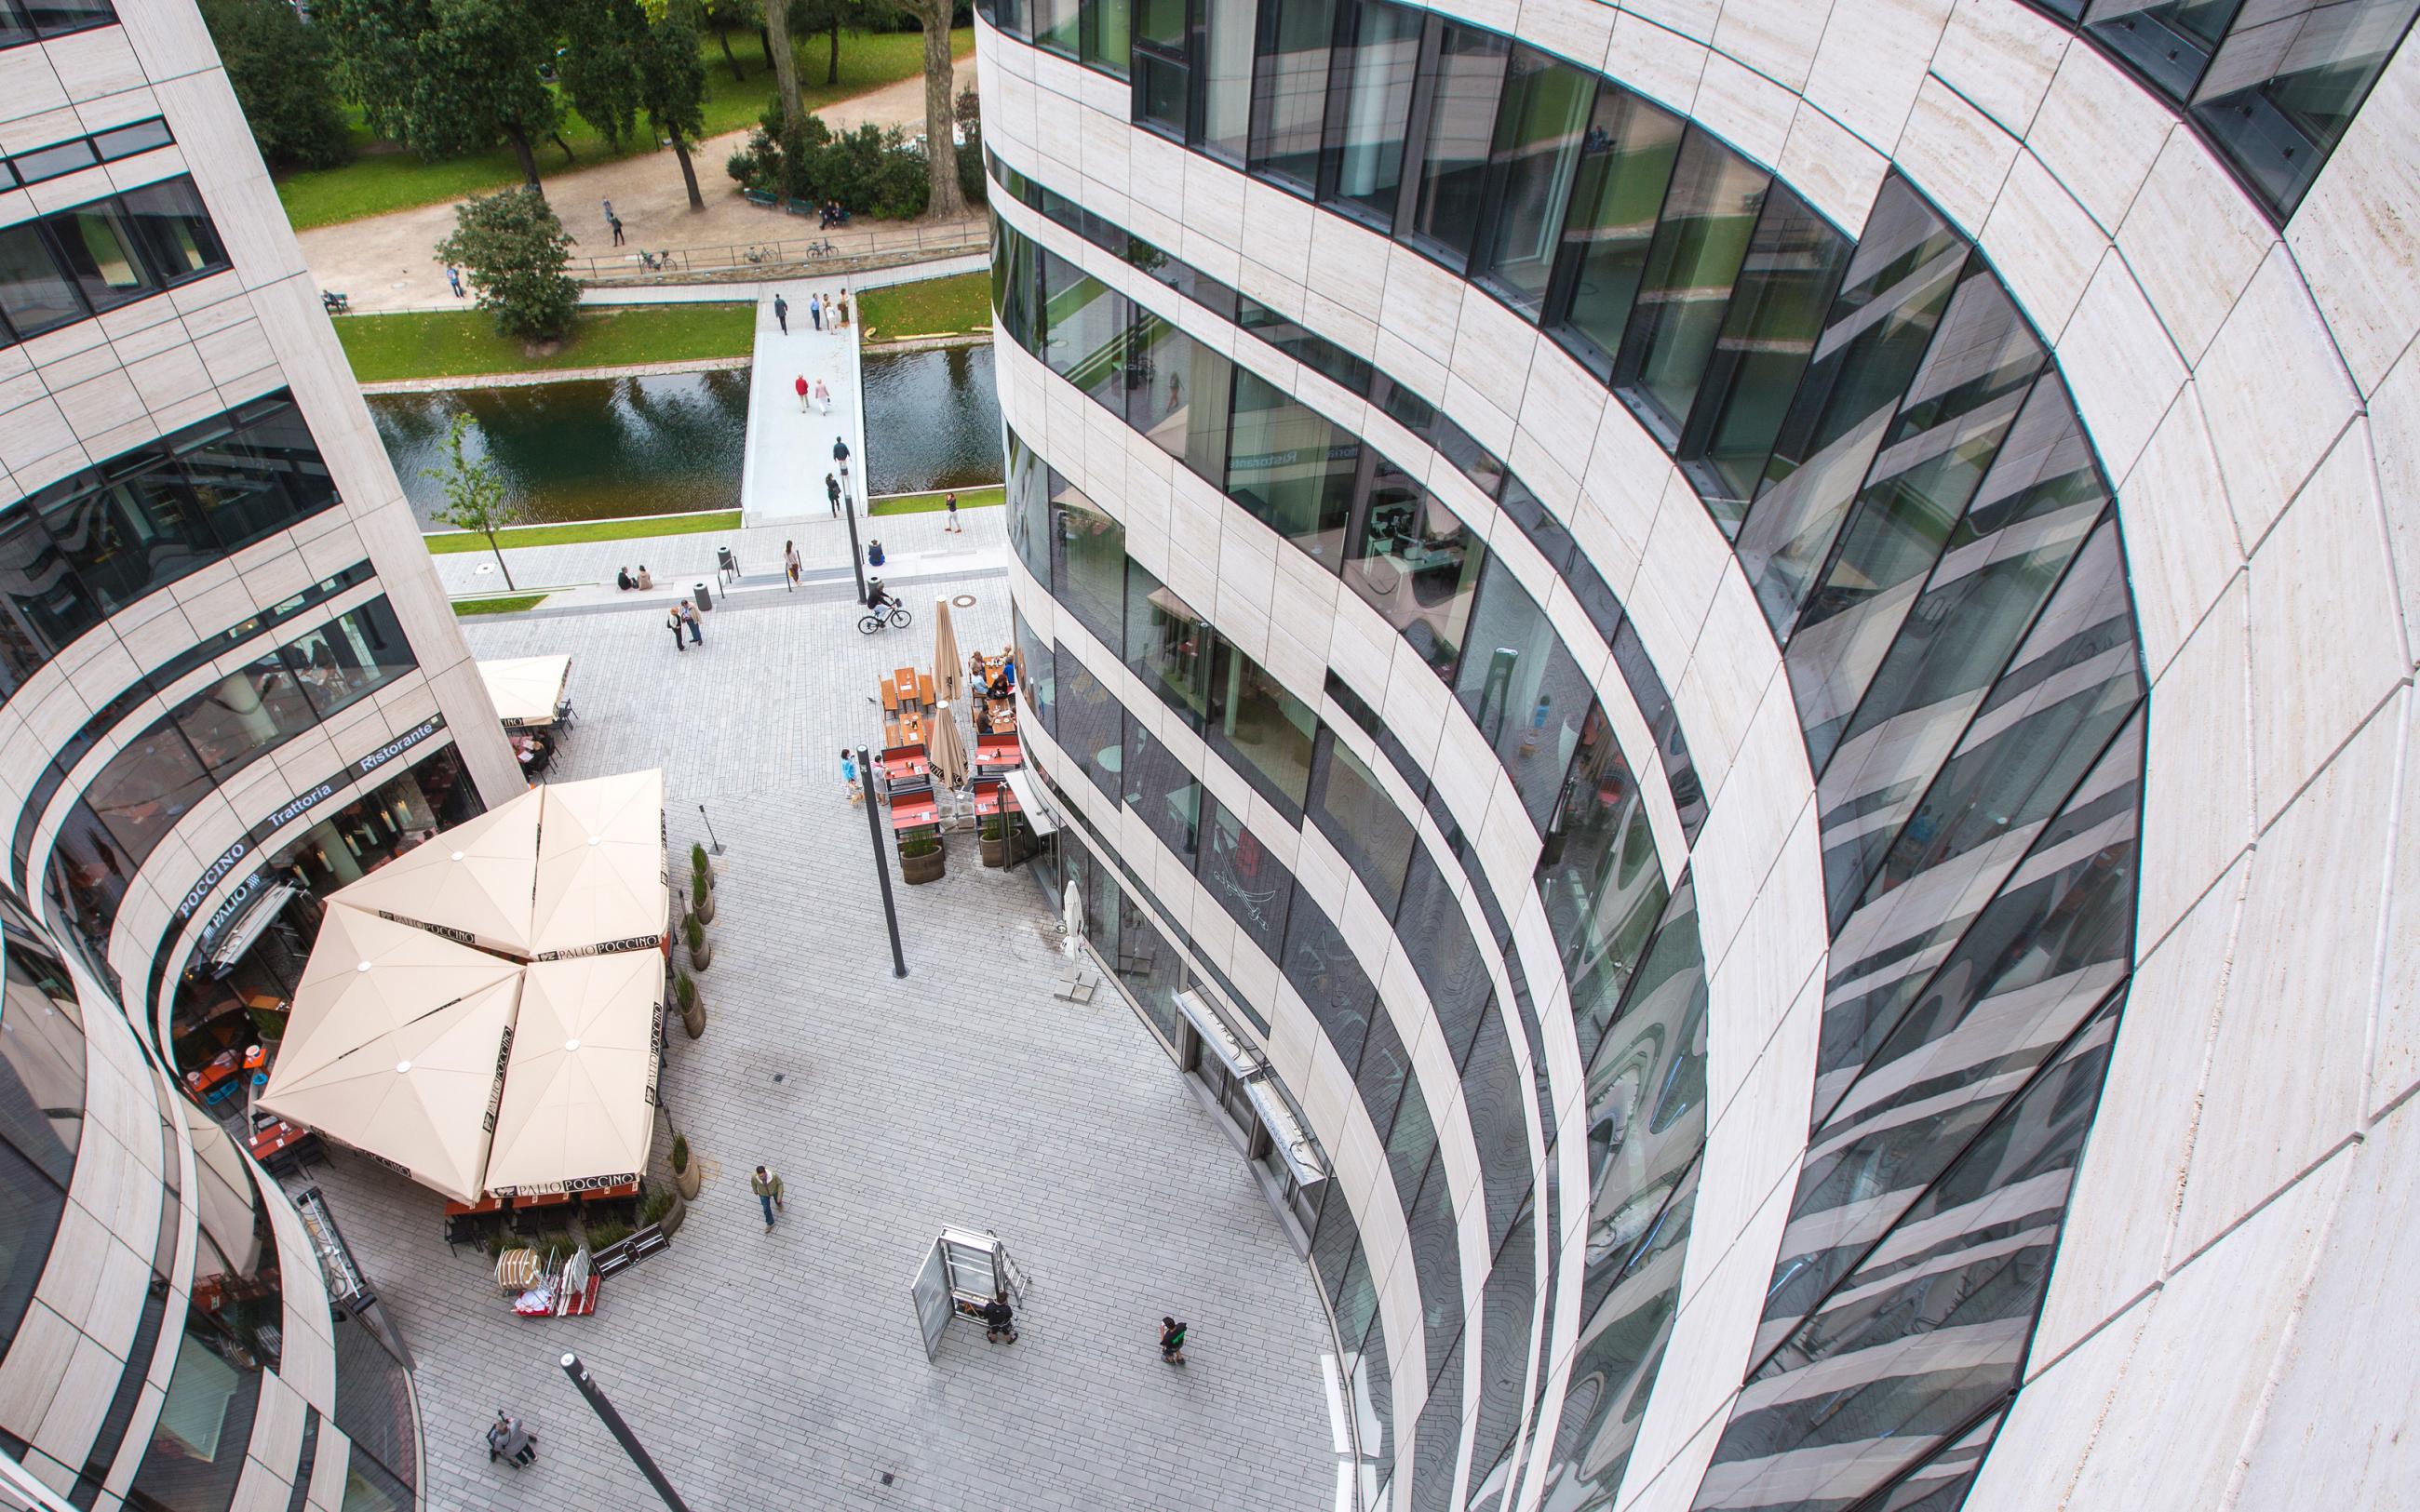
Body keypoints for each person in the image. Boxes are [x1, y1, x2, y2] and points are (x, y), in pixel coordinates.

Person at [750, 1165, 784, 1232]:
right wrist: (755, 1190)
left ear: (765, 1172)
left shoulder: (773, 1175)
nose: (761, 1178)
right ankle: (770, 1223)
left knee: (778, 1200)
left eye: (762, 1176)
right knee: (766, 1209)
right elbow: (753, 1183)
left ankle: (779, 1204)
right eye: (760, 1176)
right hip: (763, 1193)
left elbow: (780, 1184)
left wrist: (779, 1196)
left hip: (774, 1190)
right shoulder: (754, 1177)